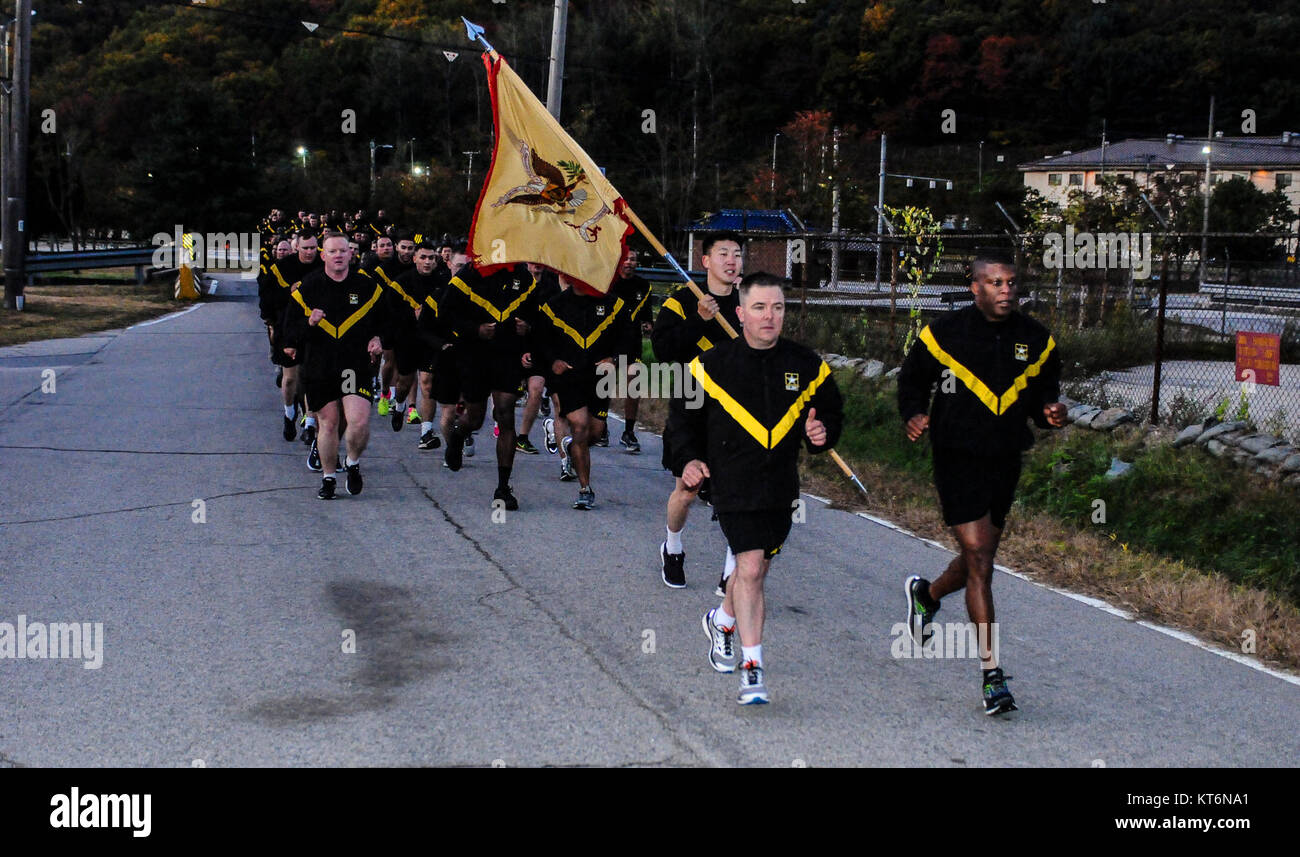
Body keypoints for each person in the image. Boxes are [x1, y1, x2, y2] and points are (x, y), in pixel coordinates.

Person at [897, 249, 1066, 716]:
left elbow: (1041, 399)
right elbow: (912, 381)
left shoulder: (1037, 340)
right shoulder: (944, 333)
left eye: (1011, 283)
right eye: (994, 283)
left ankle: (926, 596)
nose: (1005, 290)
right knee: (979, 559)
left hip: (1005, 457)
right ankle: (993, 676)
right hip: (955, 455)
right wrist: (913, 413)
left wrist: (1052, 414)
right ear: (975, 287)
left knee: (982, 555)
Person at [669, 272, 842, 704]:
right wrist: (689, 458)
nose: (770, 316)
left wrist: (823, 433)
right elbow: (681, 418)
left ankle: (722, 621)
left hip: (780, 485)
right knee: (747, 569)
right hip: (732, 482)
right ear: (741, 313)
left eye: (778, 307)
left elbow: (831, 411)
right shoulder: (712, 365)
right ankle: (752, 669)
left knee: (758, 569)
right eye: (761, 308)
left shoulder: (806, 365)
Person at [650, 232, 743, 589]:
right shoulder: (681, 302)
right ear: (705, 261)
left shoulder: (747, 304)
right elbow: (663, 353)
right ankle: (672, 547)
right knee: (687, 492)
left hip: (735, 413)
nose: (731, 260)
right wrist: (700, 321)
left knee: (733, 497)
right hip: (690, 404)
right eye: (723, 254)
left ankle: (730, 572)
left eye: (736, 254)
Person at [280, 234, 392, 500]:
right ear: (324, 255)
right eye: (333, 251)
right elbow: (289, 332)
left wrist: (379, 338)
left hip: (354, 365)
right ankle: (328, 477)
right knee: (328, 424)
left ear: (351, 255)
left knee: (359, 421)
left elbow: (389, 320)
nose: (339, 255)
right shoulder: (309, 287)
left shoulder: (368, 286)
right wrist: (309, 322)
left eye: (343, 251)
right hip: (320, 365)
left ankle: (352, 463)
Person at [438, 258, 542, 510]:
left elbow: (537, 313)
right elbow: (445, 313)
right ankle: (459, 434)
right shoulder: (470, 274)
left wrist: (527, 327)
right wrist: (475, 329)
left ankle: (503, 487)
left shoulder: (522, 275)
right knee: (475, 418)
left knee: (505, 413)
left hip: (507, 355)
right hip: (474, 354)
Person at [525, 273, 625, 510]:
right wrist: (553, 362)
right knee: (579, 426)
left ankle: (569, 446)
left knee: (596, 432)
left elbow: (627, 339)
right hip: (568, 375)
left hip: (599, 376)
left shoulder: (612, 304)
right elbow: (541, 341)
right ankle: (585, 489)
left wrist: (615, 359)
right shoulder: (555, 306)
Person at [259, 231, 322, 442]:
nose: (310, 252)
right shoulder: (281, 269)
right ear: (297, 248)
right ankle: (289, 413)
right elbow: (267, 297)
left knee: (310, 377)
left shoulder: (324, 266)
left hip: (316, 329)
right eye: (305, 248)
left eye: (313, 248)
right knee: (290, 380)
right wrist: (271, 321)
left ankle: (310, 424)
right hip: (288, 328)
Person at [611, 249, 653, 453]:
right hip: (608, 340)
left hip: (632, 341)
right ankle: (599, 423)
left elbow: (647, 317)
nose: (629, 262)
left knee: (634, 379)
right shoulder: (609, 283)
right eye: (626, 258)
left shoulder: (643, 286)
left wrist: (647, 326)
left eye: (633, 259)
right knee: (601, 380)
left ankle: (628, 431)